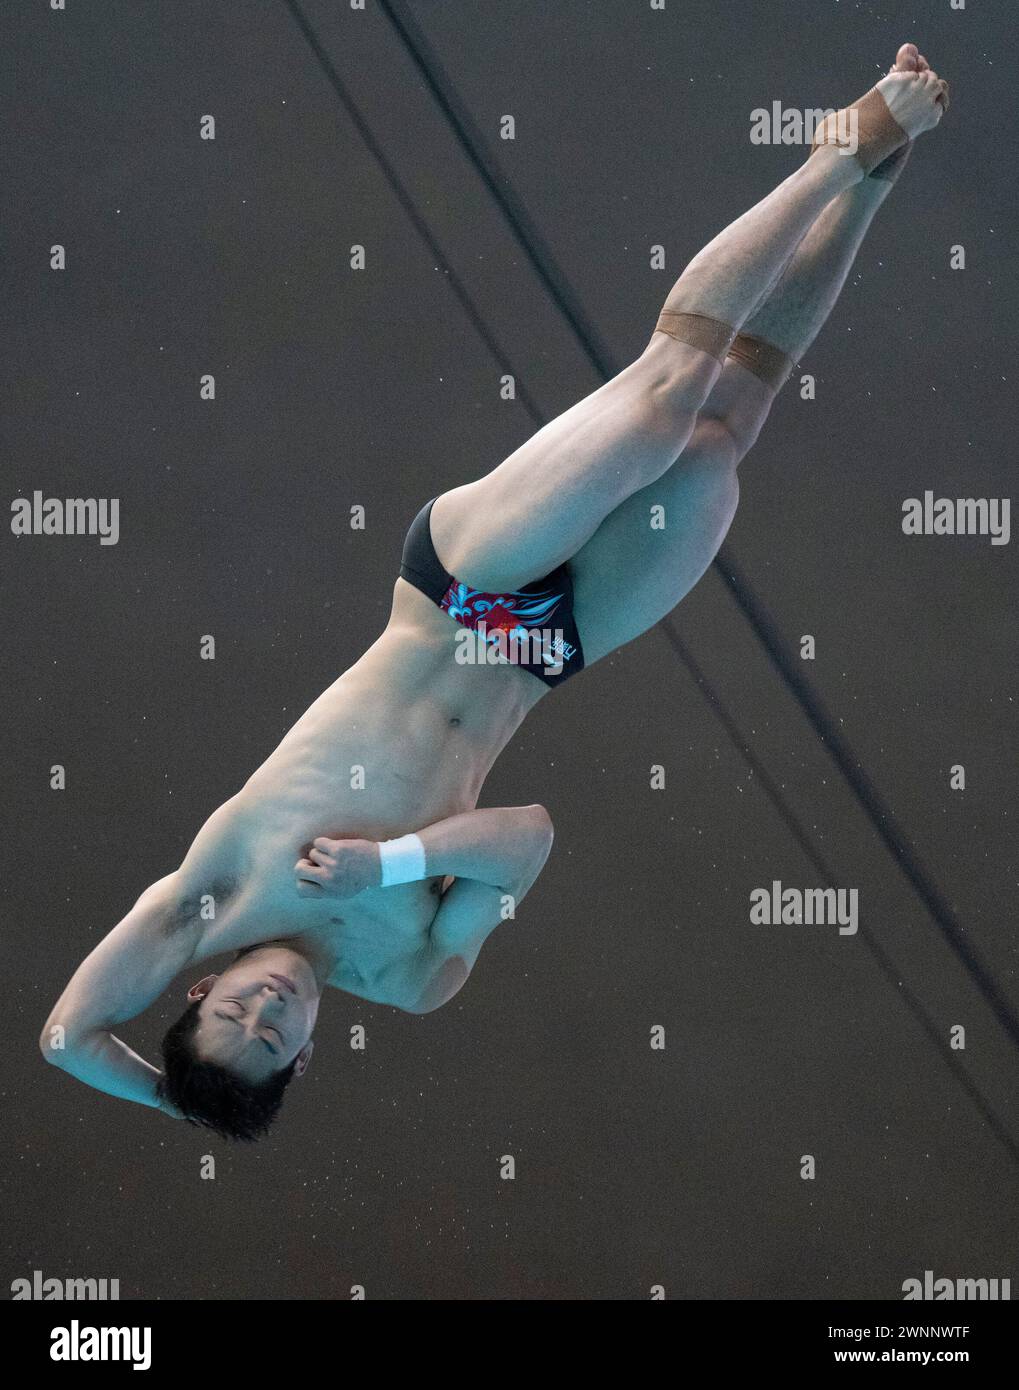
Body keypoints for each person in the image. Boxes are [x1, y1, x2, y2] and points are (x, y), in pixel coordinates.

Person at [40, 46, 948, 1140]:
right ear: (311, 1050)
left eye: (237, 1009)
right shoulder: (412, 975)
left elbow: (66, 1039)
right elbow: (525, 834)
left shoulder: (209, 902)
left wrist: (188, 1102)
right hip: (545, 652)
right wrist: (394, 862)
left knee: (664, 400)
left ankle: (834, 147)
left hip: (456, 593)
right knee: (721, 436)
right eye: (276, 1036)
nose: (270, 1004)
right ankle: (868, 183)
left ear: (196, 989)